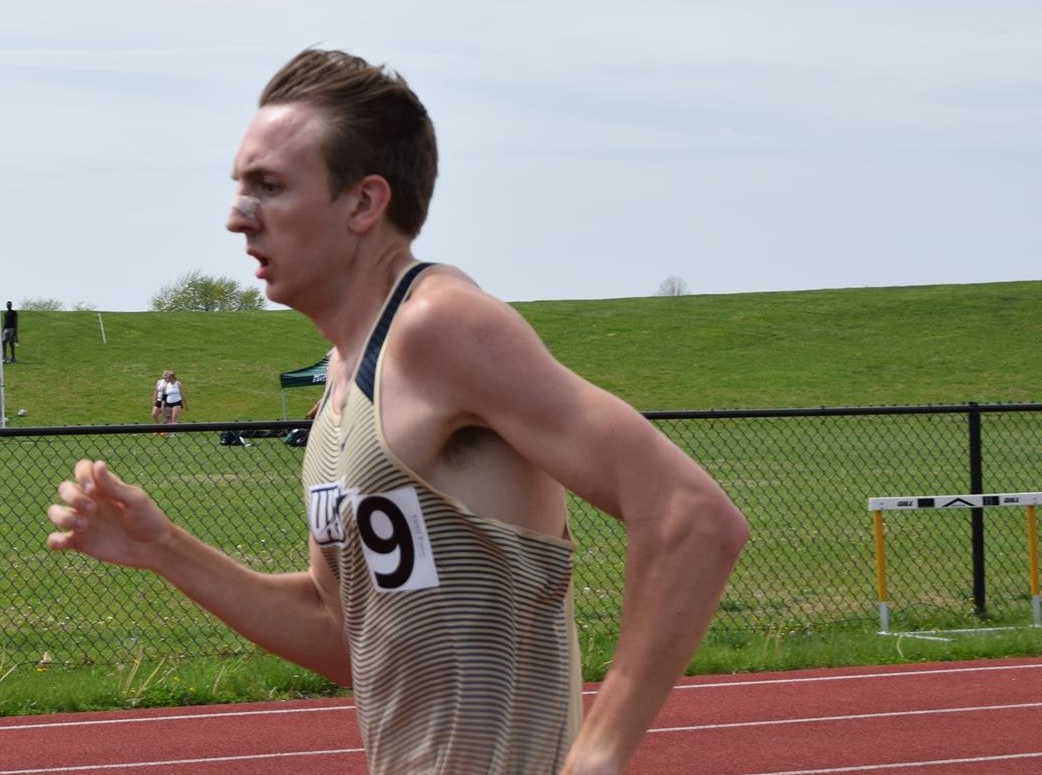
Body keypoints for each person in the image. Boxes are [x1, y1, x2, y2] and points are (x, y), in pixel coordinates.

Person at [46, 49, 748, 775]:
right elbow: (342, 633)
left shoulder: (439, 327)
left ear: (362, 203)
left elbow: (690, 516)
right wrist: (166, 549)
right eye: (239, 186)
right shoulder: (340, 388)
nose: (236, 217)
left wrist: (596, 757)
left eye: (270, 186)